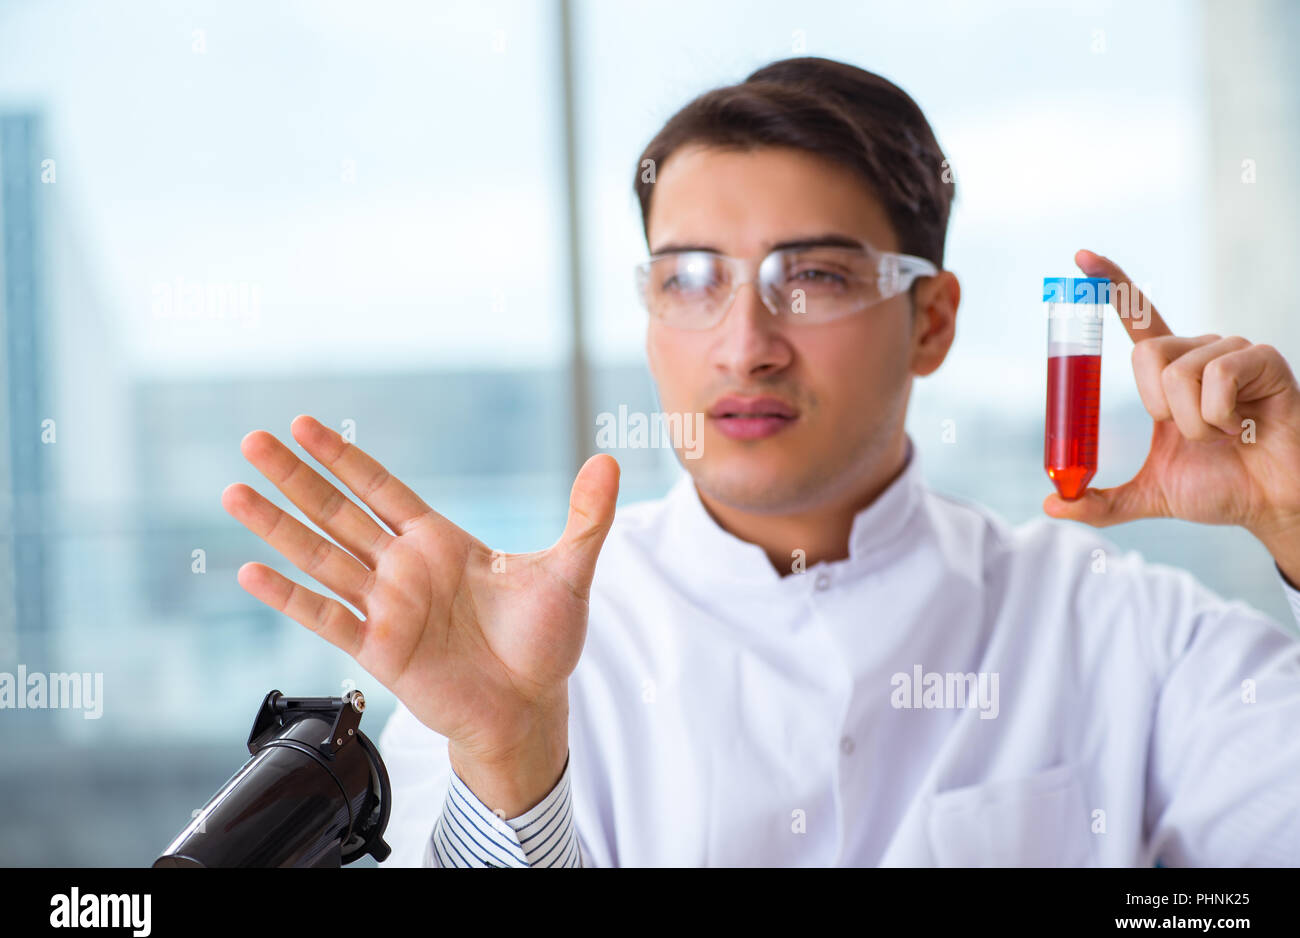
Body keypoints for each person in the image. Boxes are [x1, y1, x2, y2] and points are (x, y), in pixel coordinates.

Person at [222, 57, 1300, 866]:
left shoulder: (1121, 631)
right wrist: (509, 764)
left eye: (814, 277)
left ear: (931, 319)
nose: (743, 343)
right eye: (690, 279)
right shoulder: (504, 661)